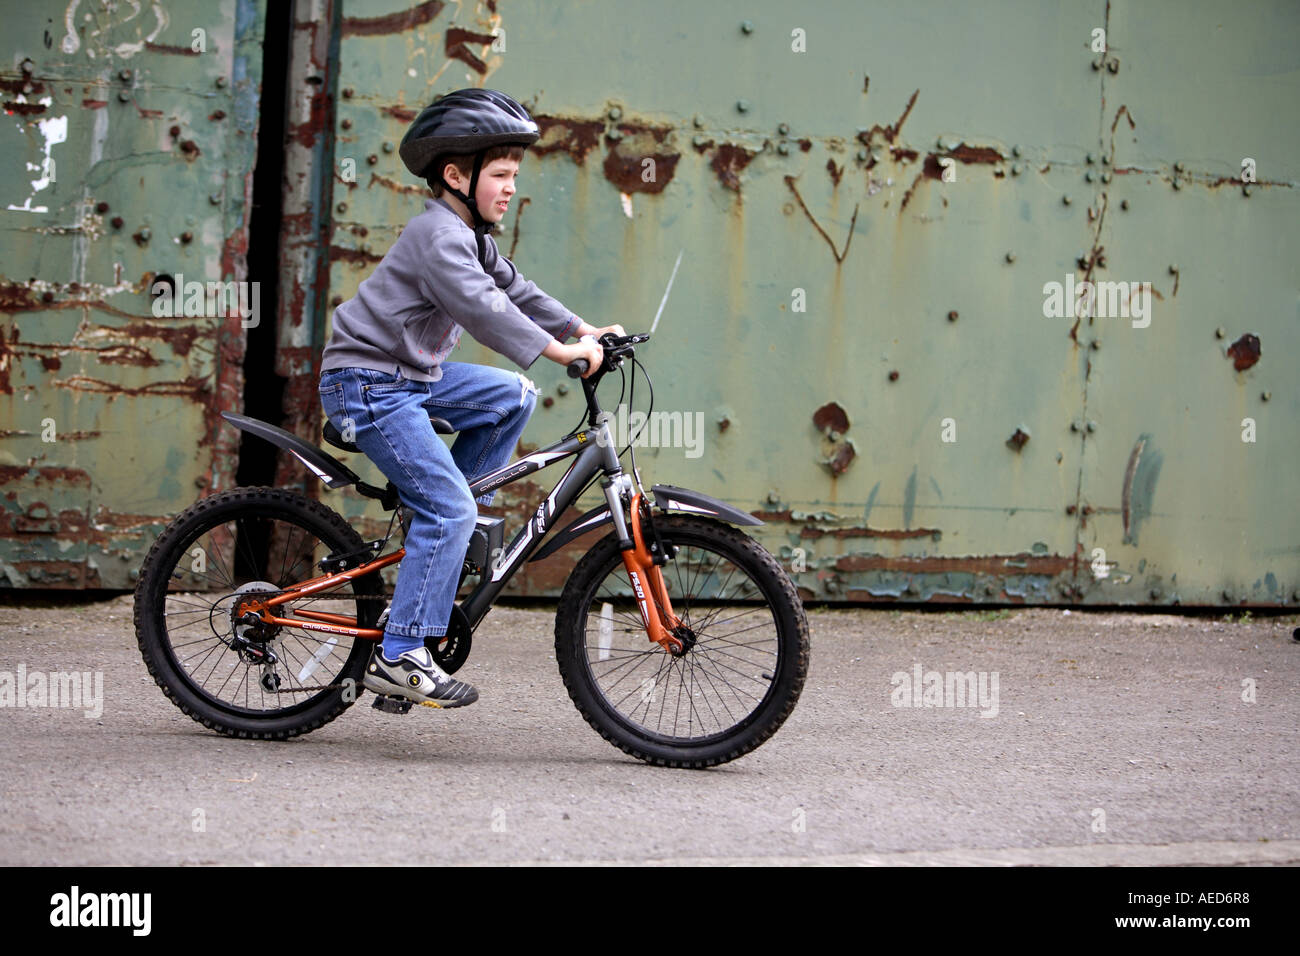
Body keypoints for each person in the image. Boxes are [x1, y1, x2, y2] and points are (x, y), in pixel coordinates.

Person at [318, 88, 623, 708]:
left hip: (409, 379)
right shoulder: (438, 236)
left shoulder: (472, 236)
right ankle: (401, 651)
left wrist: (582, 330)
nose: (512, 187)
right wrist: (560, 352)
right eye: (502, 175)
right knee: (450, 507)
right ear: (456, 175)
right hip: (367, 383)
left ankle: (442, 532)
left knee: (512, 395)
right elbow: (484, 308)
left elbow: (516, 288)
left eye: (515, 175)